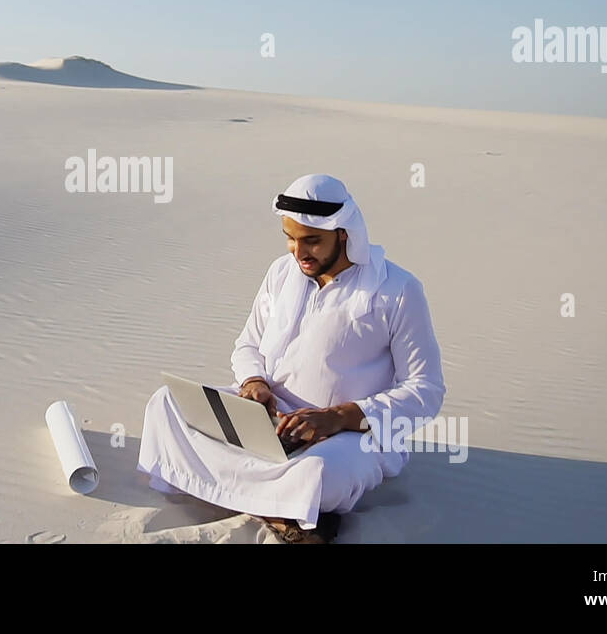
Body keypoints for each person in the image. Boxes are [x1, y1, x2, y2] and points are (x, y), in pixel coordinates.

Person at [136, 174, 446, 543]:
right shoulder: (281, 273)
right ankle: (282, 509)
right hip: (265, 420)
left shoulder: (397, 290)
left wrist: (337, 417)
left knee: (317, 475)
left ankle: (258, 493)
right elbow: (248, 344)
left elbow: (425, 390)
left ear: (343, 233)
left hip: (348, 435)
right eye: (290, 238)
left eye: (312, 241)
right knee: (165, 406)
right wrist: (254, 384)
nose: (299, 252)